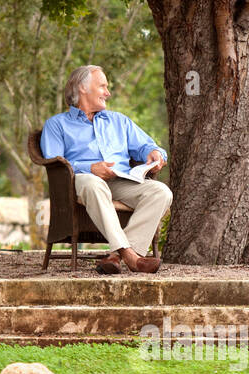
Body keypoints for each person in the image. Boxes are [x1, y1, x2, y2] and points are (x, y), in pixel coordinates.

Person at [40, 65, 172, 275]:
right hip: (81, 181)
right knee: (94, 183)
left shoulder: (118, 121)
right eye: (103, 86)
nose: (108, 93)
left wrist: (155, 153)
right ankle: (131, 257)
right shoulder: (57, 125)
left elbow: (147, 146)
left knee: (161, 192)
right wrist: (90, 168)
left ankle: (116, 257)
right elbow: (54, 162)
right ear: (82, 88)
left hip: (120, 181)